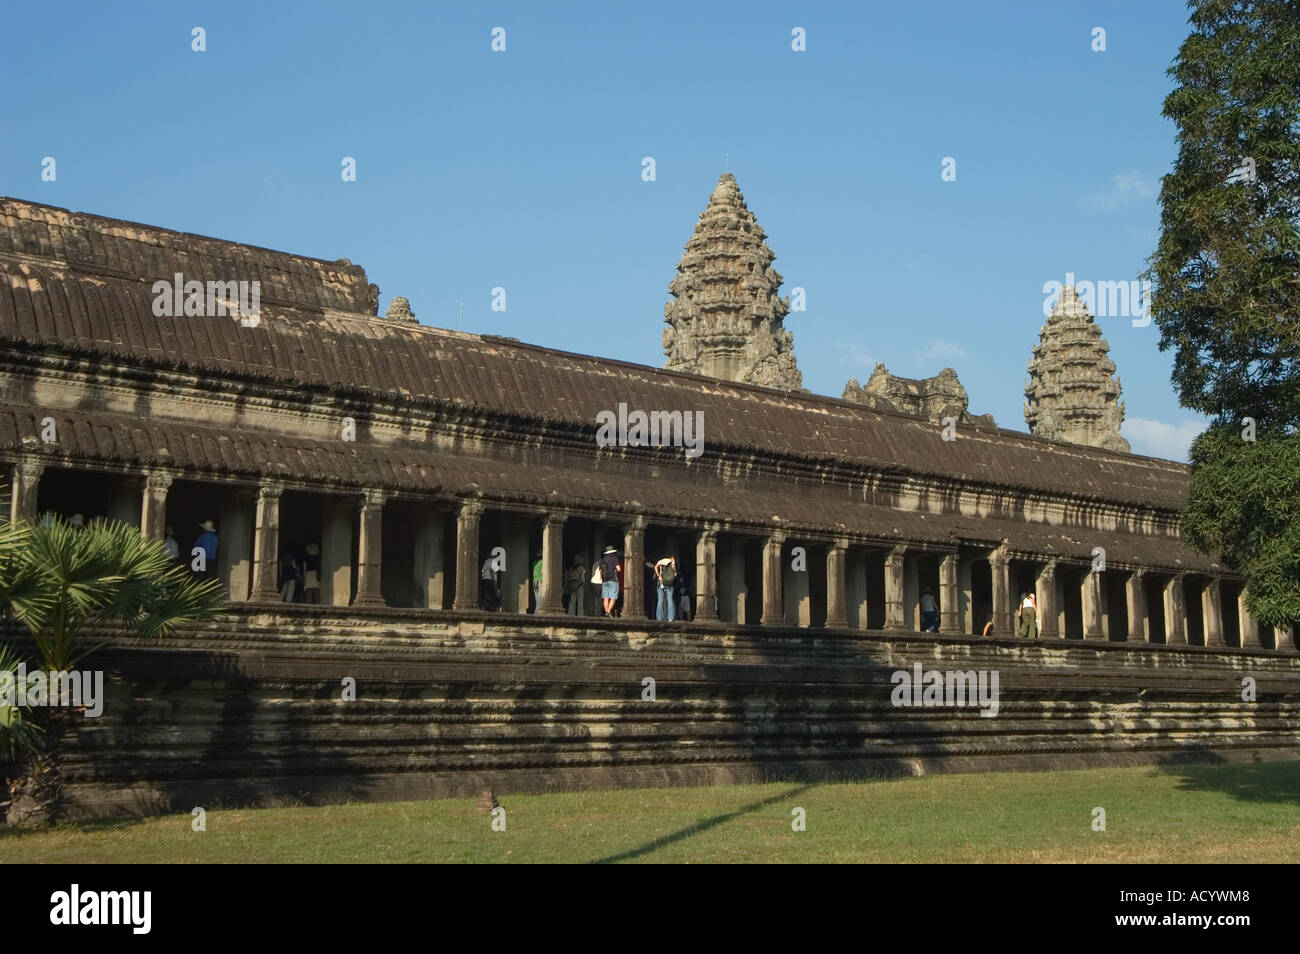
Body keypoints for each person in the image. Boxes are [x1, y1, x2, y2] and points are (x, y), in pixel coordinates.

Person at [599, 545, 622, 617]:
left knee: (606, 597)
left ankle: (606, 612)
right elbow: (619, 569)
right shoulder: (614, 558)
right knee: (613, 597)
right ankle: (608, 612)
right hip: (612, 580)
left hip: (604, 580)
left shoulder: (602, 559)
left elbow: (600, 570)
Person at [654, 555, 678, 621]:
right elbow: (675, 573)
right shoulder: (672, 562)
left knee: (660, 601)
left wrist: (658, 576)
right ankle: (670, 617)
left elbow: (655, 567)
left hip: (661, 583)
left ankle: (659, 618)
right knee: (670, 600)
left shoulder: (661, 561)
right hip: (669, 584)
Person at [531, 549, 544, 613]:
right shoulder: (543, 562)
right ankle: (536, 615)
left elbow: (533, 573)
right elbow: (543, 571)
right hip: (541, 581)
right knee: (540, 602)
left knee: (537, 600)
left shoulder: (534, 562)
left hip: (535, 581)